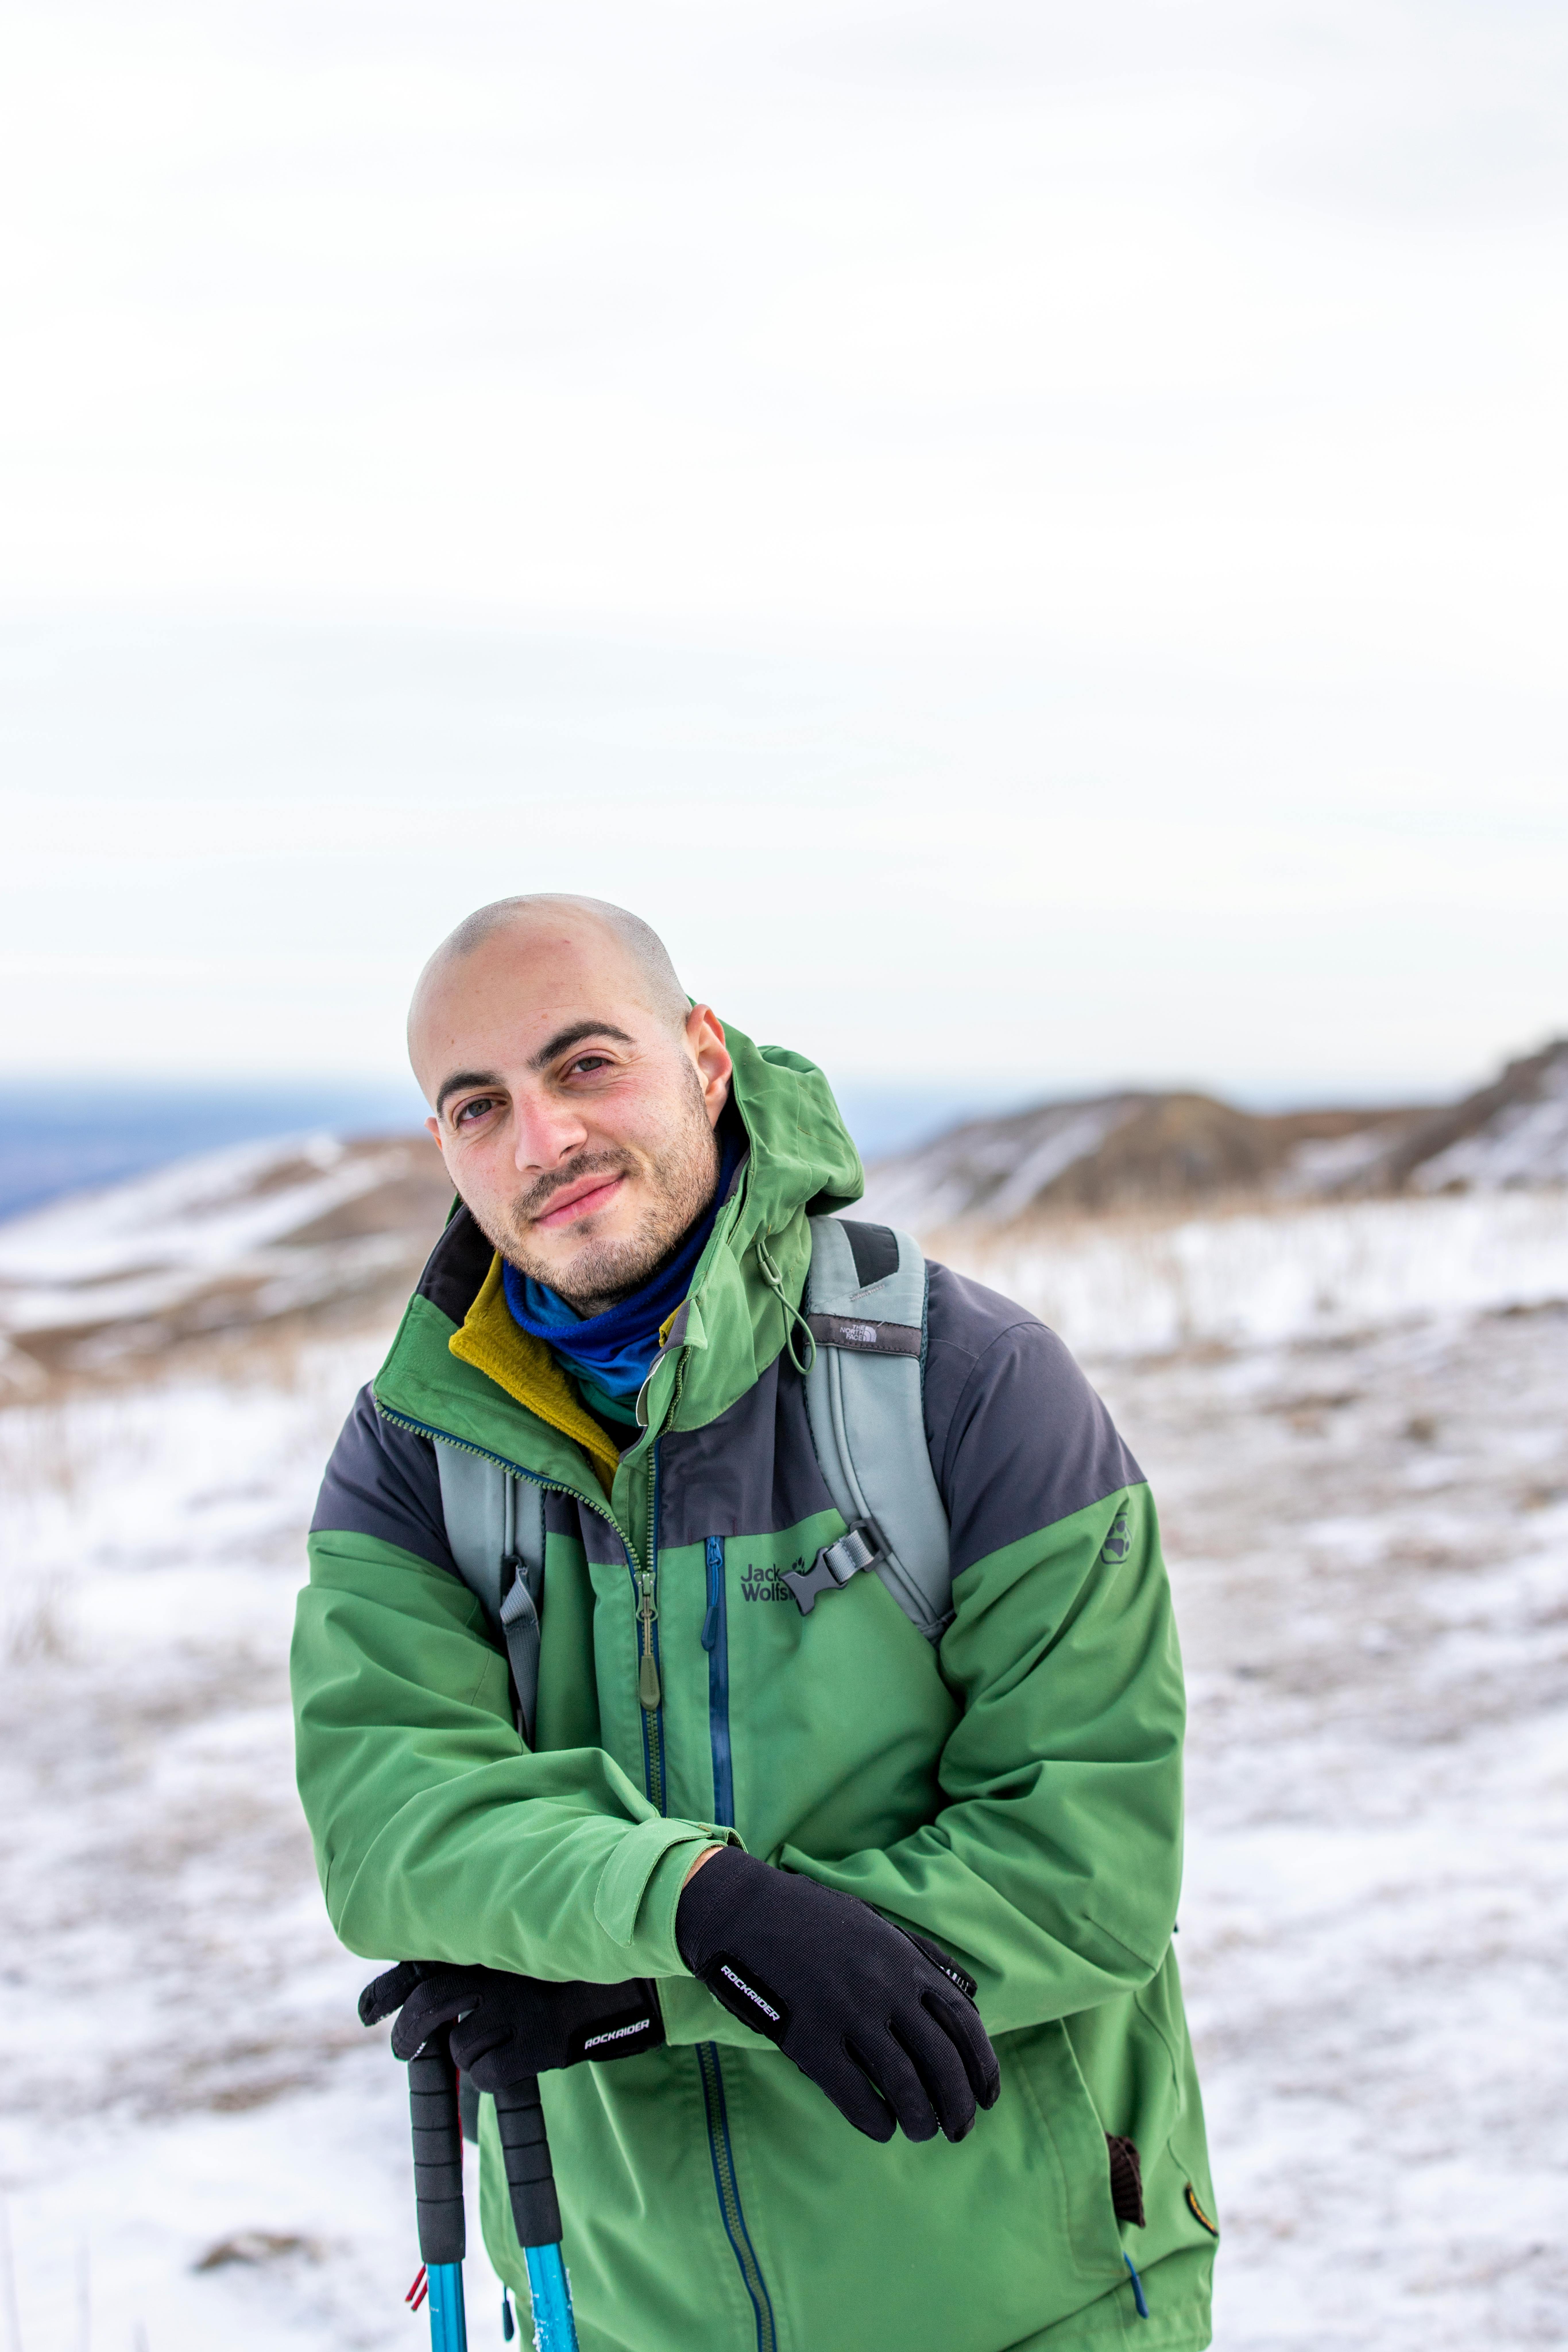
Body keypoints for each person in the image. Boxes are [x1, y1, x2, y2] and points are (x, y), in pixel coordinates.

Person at [292, 894, 1217, 2352]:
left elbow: (1084, 1860)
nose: (541, 1142)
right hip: (612, 2305)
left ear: (705, 1058)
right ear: (444, 1147)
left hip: (1018, 2301)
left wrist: (648, 1990)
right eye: (480, 1105)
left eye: (583, 1064)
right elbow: (394, 1821)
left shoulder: (965, 1383)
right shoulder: (416, 1449)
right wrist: (708, 1911)